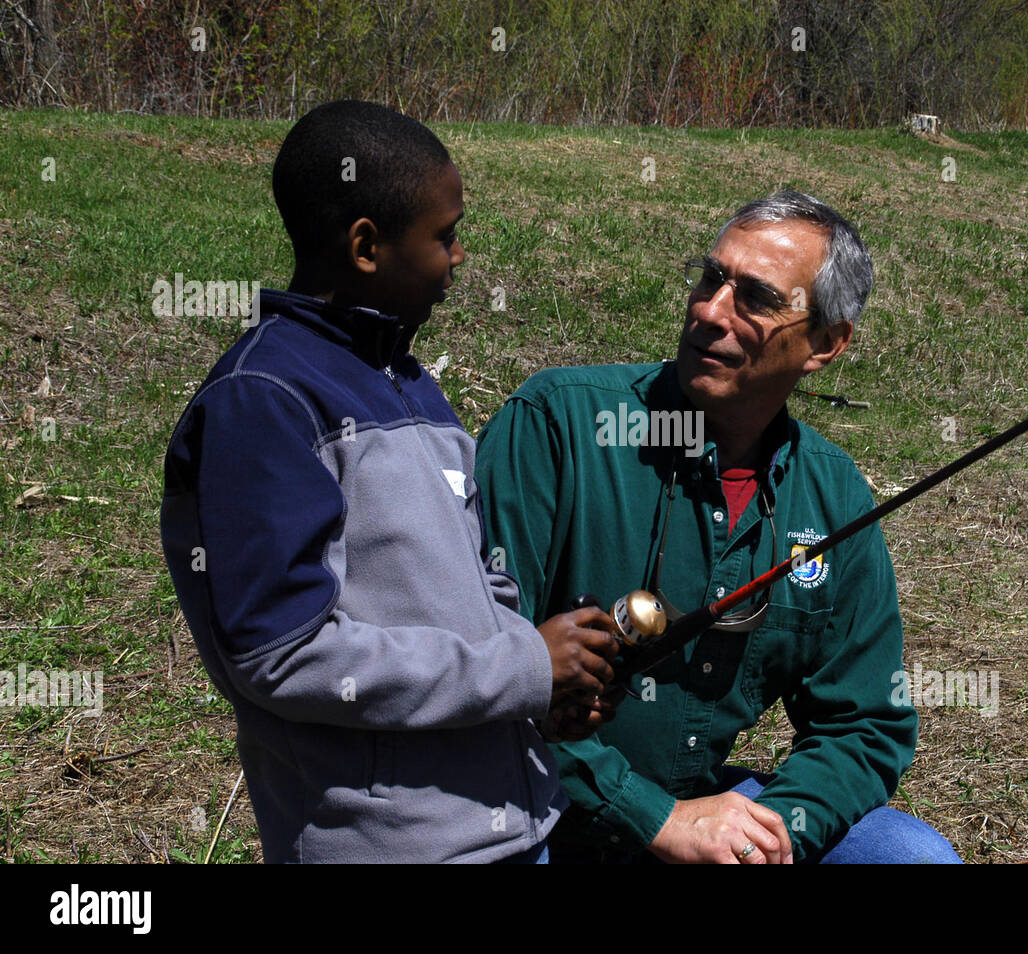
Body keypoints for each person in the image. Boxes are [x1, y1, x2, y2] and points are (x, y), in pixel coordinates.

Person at [159, 100, 618, 863]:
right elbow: (283, 655)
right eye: (445, 235)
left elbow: (472, 590)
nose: (460, 256)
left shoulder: (408, 382)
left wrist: (541, 691)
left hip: (514, 825)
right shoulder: (264, 401)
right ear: (367, 246)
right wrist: (522, 667)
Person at [476, 190, 960, 863]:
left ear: (826, 343)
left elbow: (865, 724)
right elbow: (480, 664)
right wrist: (657, 819)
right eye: (711, 278)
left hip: (699, 817)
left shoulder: (833, 494)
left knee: (909, 856)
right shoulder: (557, 423)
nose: (709, 310)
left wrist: (769, 835)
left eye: (756, 298)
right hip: (533, 810)